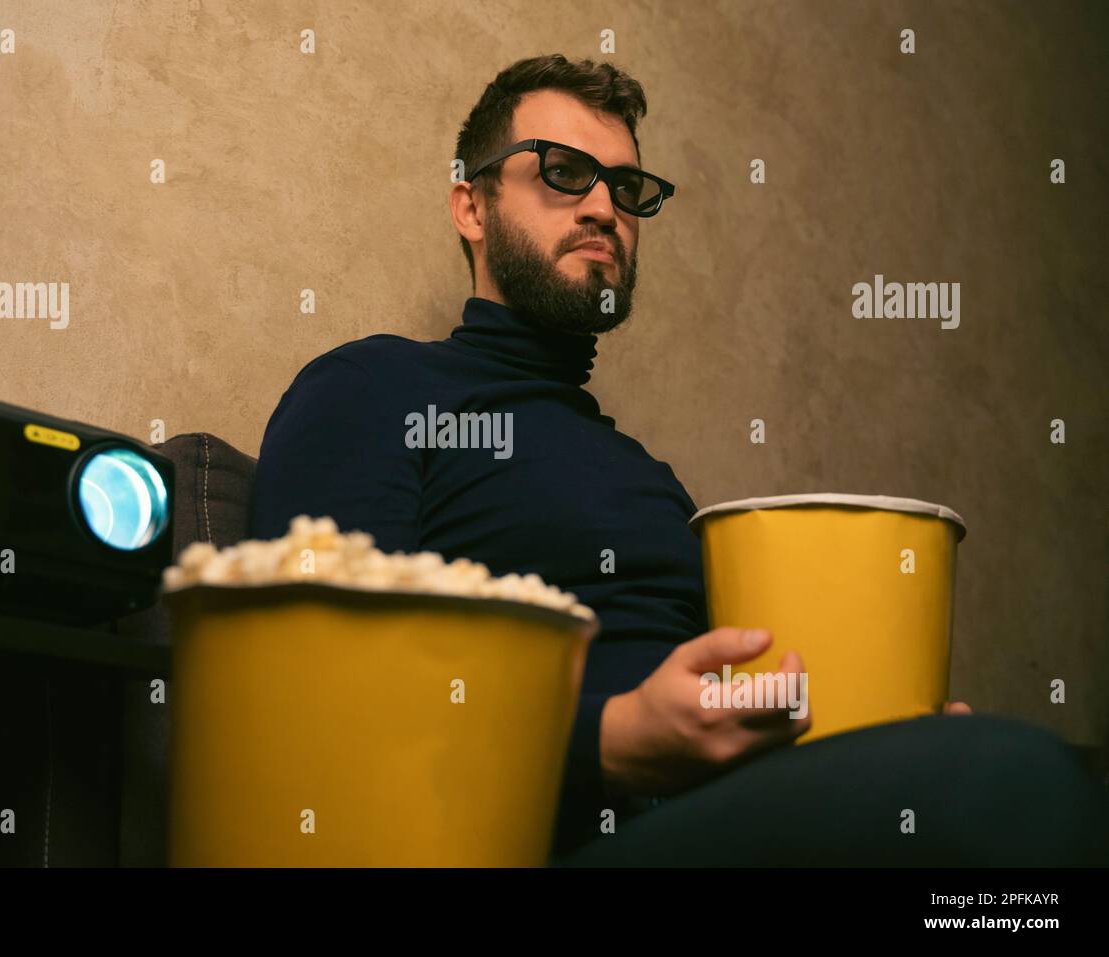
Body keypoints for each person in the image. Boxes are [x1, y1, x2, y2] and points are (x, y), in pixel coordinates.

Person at [248, 54, 1108, 865]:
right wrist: (609, 740)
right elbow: (315, 694)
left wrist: (875, 741)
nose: (602, 207)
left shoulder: (652, 482)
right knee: (1012, 778)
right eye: (562, 171)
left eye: (625, 187)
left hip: (711, 817)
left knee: (1024, 804)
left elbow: (724, 707)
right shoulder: (372, 388)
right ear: (471, 207)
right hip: (529, 842)